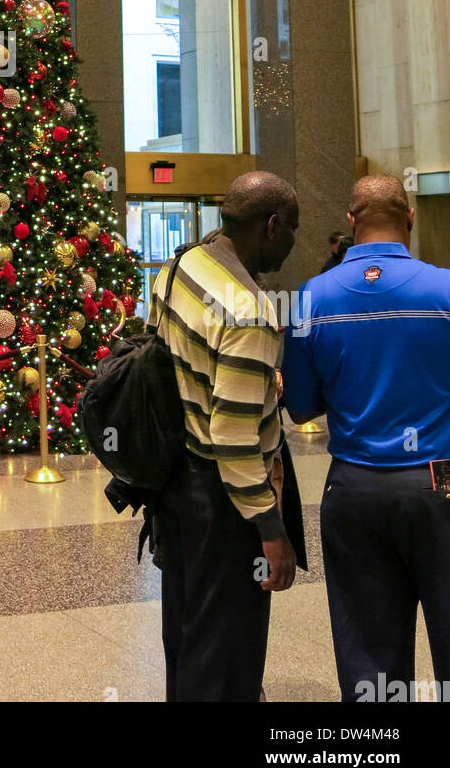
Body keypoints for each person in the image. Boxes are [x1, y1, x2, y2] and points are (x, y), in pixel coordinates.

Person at [283, 174, 450, 703]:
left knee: (370, 661)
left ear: (351, 223)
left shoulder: (311, 297)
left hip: (353, 490)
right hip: (440, 482)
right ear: (411, 217)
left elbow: (302, 405)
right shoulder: (445, 289)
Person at [149, 171, 306, 702]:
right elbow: (234, 440)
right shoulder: (249, 311)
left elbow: (165, 362)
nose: (292, 244)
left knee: (189, 639)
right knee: (227, 657)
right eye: (292, 231)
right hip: (225, 508)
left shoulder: (180, 264)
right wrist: (271, 530)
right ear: (271, 225)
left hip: (176, 490)